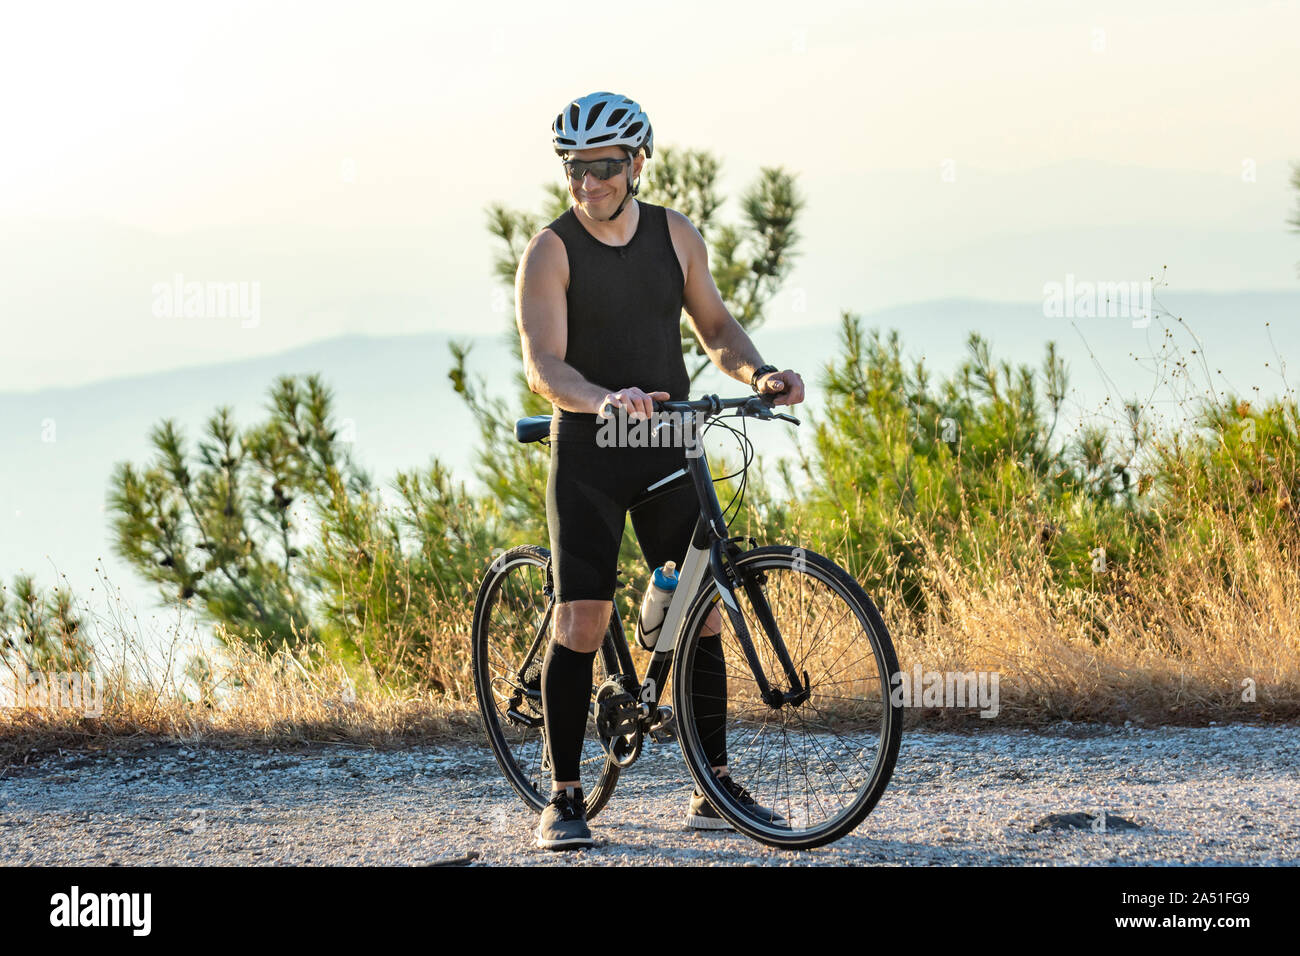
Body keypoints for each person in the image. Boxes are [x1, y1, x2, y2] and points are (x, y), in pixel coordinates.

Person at [515, 91, 806, 850]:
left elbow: (715, 328)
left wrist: (759, 373)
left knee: (703, 611)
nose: (588, 184)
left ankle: (713, 786)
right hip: (588, 454)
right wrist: (603, 398)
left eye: (604, 167)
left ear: (637, 163)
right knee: (584, 621)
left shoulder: (675, 235)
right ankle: (564, 794)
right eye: (575, 169)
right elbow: (544, 366)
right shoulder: (549, 251)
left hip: (667, 447)